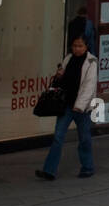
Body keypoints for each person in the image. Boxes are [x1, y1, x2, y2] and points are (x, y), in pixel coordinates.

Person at [36, 36, 98, 180]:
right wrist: (58, 76)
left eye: (80, 46)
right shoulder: (68, 58)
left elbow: (89, 86)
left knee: (84, 138)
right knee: (58, 137)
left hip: (82, 108)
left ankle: (87, 167)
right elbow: (60, 81)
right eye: (74, 46)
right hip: (66, 105)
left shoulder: (91, 62)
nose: (76, 49)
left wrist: (80, 106)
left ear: (86, 46)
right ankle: (49, 171)